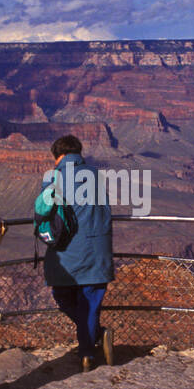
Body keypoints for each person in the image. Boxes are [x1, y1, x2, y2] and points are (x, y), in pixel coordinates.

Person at [39, 135, 115, 371]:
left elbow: (44, 211)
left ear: (58, 155)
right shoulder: (95, 175)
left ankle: (89, 350)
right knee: (90, 304)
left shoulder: (53, 178)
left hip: (67, 253)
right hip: (97, 251)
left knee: (63, 297)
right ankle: (92, 342)